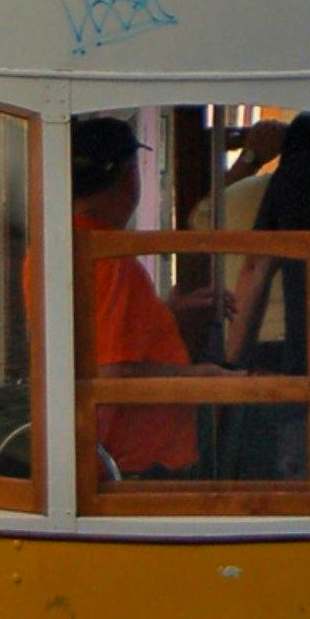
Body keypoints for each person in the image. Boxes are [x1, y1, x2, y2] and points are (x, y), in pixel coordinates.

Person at [71, 118, 201, 480]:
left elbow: (92, 341)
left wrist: (168, 312)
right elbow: (113, 374)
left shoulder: (52, 250)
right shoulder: (112, 260)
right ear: (130, 179)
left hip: (105, 457)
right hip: (136, 466)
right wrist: (200, 376)